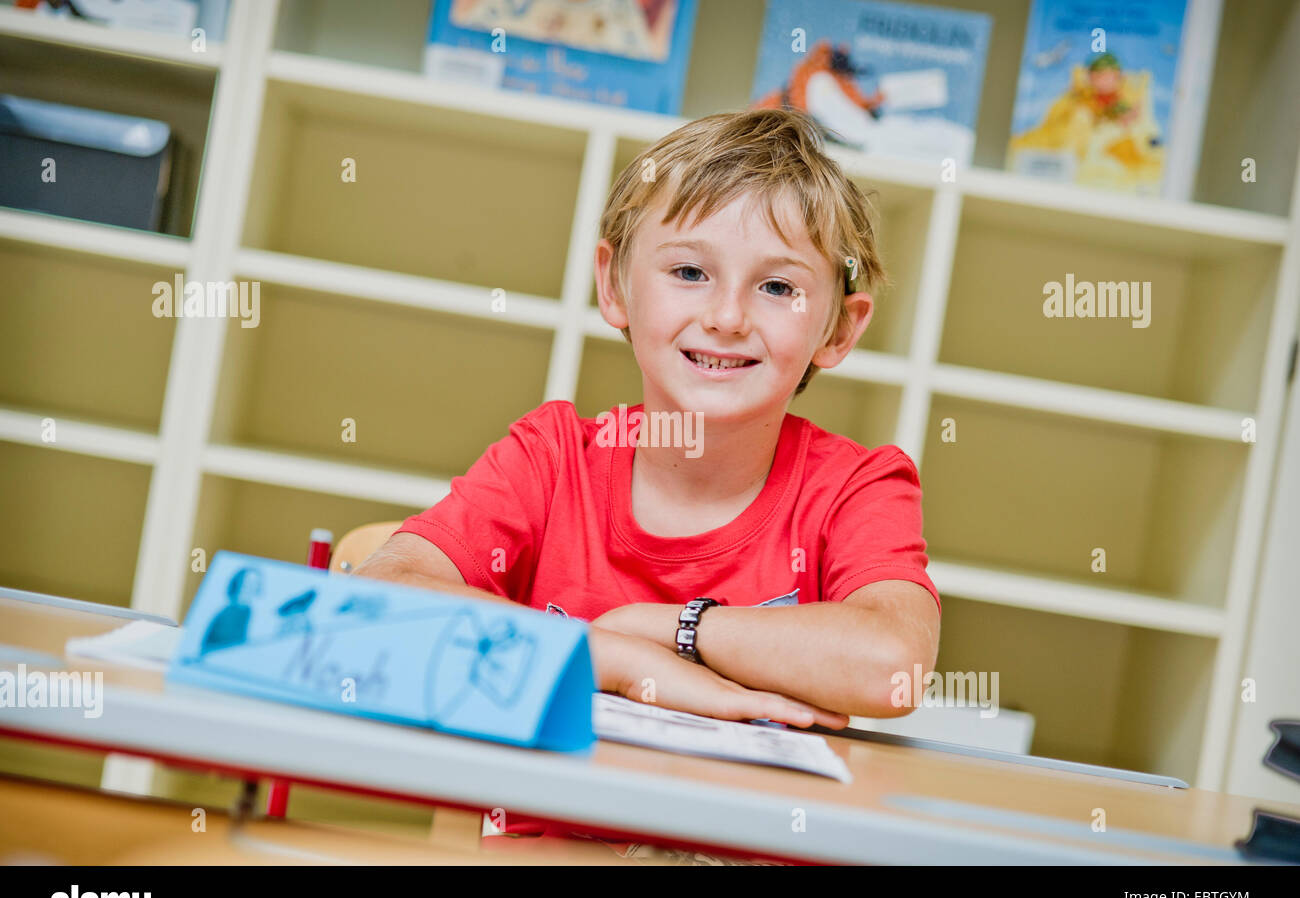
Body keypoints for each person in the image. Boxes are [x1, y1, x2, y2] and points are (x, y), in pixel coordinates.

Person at [356, 107, 941, 854]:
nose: (727, 316)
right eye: (689, 272)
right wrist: (618, 660)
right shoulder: (553, 457)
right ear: (615, 285)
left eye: (778, 287)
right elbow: (379, 605)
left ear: (840, 328)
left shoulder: (856, 486)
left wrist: (671, 628)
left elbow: (890, 664)